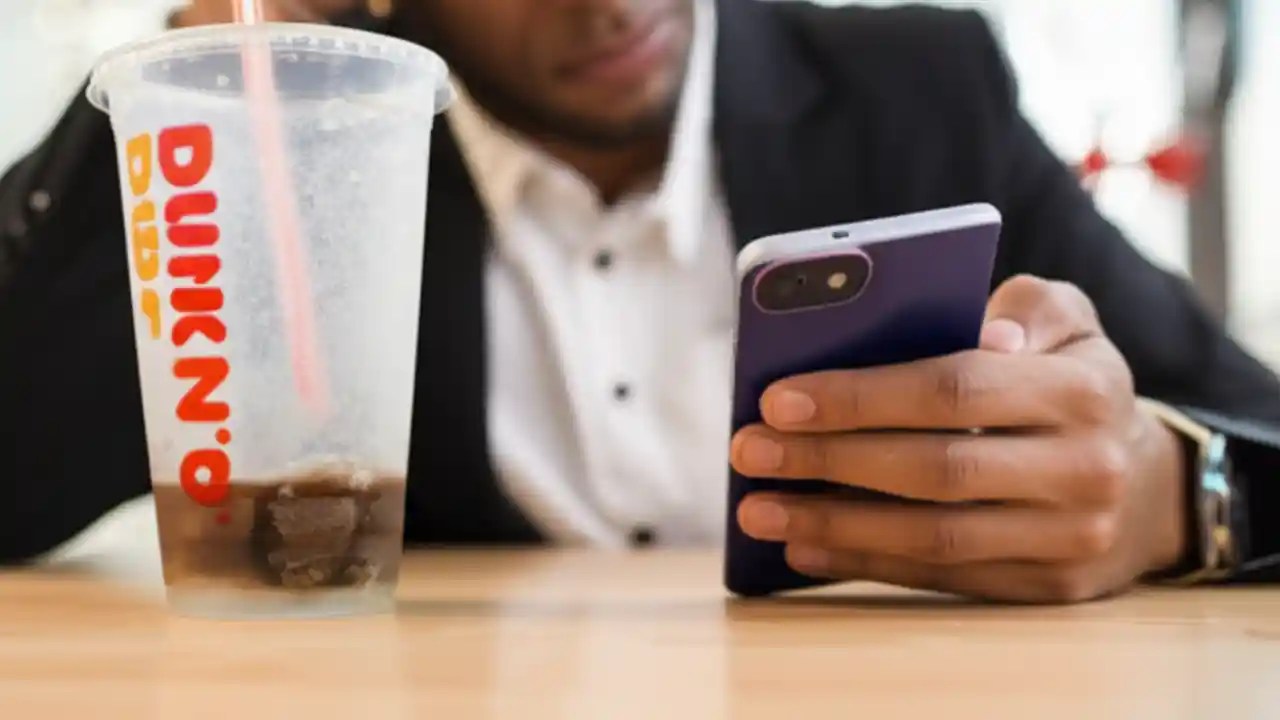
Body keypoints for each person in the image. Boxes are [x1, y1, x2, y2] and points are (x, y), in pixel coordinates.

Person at [1, 0, 1277, 603]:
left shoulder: (918, 90)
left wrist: (1178, 497)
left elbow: (1246, 423)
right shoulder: (304, 168)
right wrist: (185, 70)